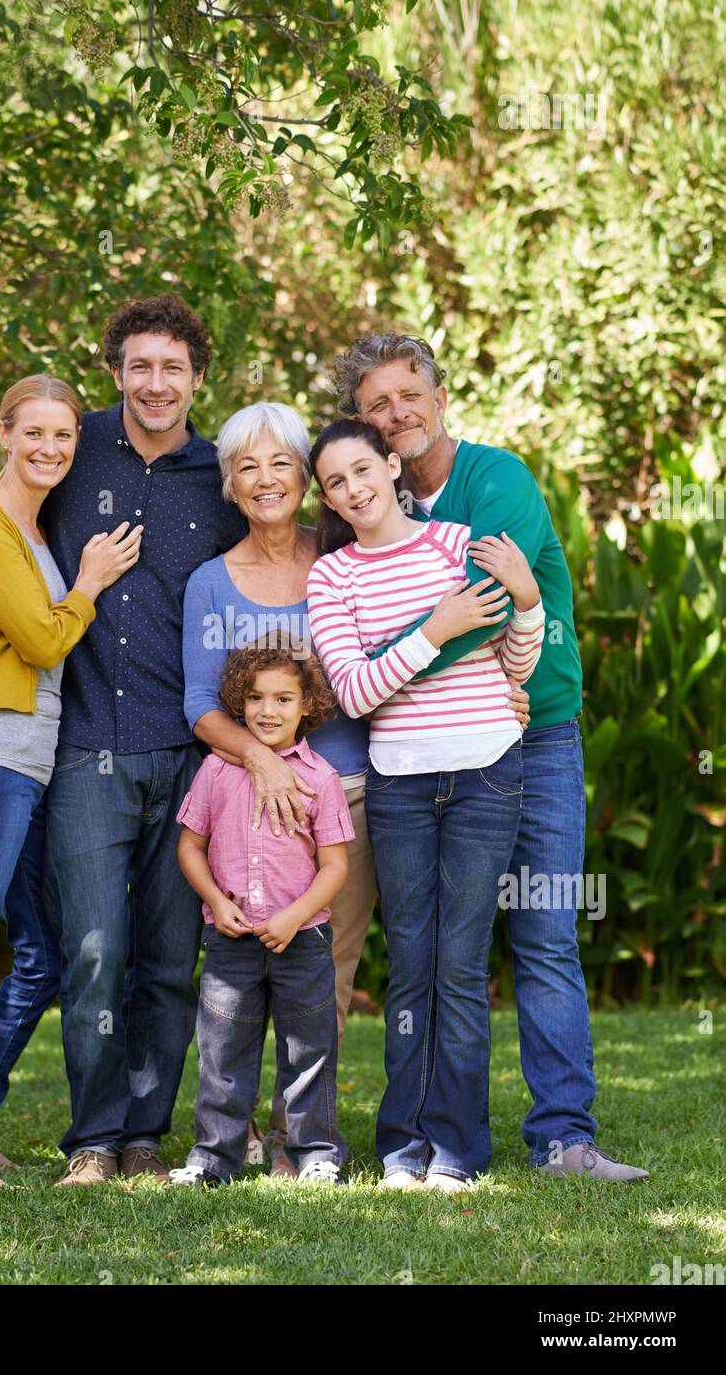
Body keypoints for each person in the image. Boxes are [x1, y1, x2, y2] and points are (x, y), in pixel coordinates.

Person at [0, 295, 248, 1185]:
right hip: (77, 749)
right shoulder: (71, 447)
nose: (156, 383)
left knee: (170, 963)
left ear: (197, 378)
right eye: (139, 365)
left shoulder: (220, 478)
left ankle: (145, 1134)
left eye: (173, 368)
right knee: (92, 955)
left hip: (186, 754)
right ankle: (94, 1141)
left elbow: (282, 563)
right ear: (115, 373)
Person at [182, 400, 533, 1174]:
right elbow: (214, 702)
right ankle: (231, 1135)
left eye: (284, 464)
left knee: (330, 975)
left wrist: (510, 678)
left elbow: (488, 630)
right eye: (248, 466)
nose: (267, 479)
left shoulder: (355, 557)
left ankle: (300, 1136)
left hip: (358, 793)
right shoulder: (234, 581)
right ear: (230, 485)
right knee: (242, 975)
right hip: (266, 800)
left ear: (312, 479)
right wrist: (263, 759)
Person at [336, 332, 648, 1183]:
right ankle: (429, 1135)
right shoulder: (368, 502)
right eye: (376, 405)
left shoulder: (497, 479)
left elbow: (472, 609)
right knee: (431, 951)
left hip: (535, 729)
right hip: (430, 753)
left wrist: (373, 676)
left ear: (439, 397)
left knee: (544, 931)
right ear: (360, 422)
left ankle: (563, 1137)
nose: (396, 414)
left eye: (409, 395)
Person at [307, 419, 546, 1192]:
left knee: (459, 963)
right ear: (330, 499)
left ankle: (457, 1152)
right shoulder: (332, 576)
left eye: (361, 469)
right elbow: (354, 689)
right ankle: (403, 1147)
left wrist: (530, 601)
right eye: (335, 482)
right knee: (410, 965)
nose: (353, 489)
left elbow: (514, 653)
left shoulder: (455, 544)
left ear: (390, 462)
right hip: (400, 782)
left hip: (485, 772)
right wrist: (436, 629)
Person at [0, 374, 133, 1186]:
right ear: (3, 432)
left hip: (31, 763)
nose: (49, 448)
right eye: (33, 432)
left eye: (64, 436)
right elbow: (43, 641)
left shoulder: (29, 529)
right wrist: (89, 585)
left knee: (40, 956)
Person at [171, 643, 354, 1187]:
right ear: (239, 702)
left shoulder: (321, 778)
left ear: (307, 707)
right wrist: (217, 903)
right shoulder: (215, 772)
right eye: (254, 697)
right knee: (223, 1055)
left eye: (282, 698)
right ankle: (213, 1160)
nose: (267, 710)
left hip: (302, 939)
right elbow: (189, 848)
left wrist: (295, 916)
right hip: (231, 937)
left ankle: (315, 1153)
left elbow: (335, 865)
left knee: (310, 1051)